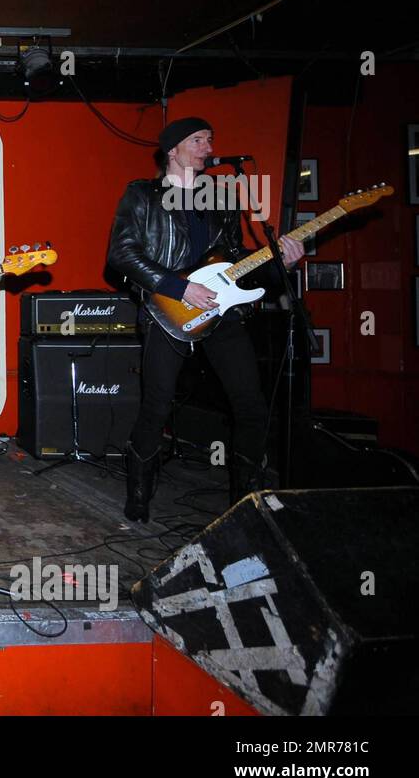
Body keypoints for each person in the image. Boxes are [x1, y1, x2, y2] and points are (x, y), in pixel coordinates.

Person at [106, 117, 305, 523]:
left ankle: (244, 499)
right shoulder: (142, 195)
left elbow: (236, 264)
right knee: (157, 404)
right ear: (172, 151)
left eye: (209, 139)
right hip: (168, 310)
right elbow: (121, 256)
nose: (206, 146)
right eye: (196, 140)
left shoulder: (220, 198)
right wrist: (179, 289)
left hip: (221, 310)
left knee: (250, 403)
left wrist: (279, 264)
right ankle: (140, 491)